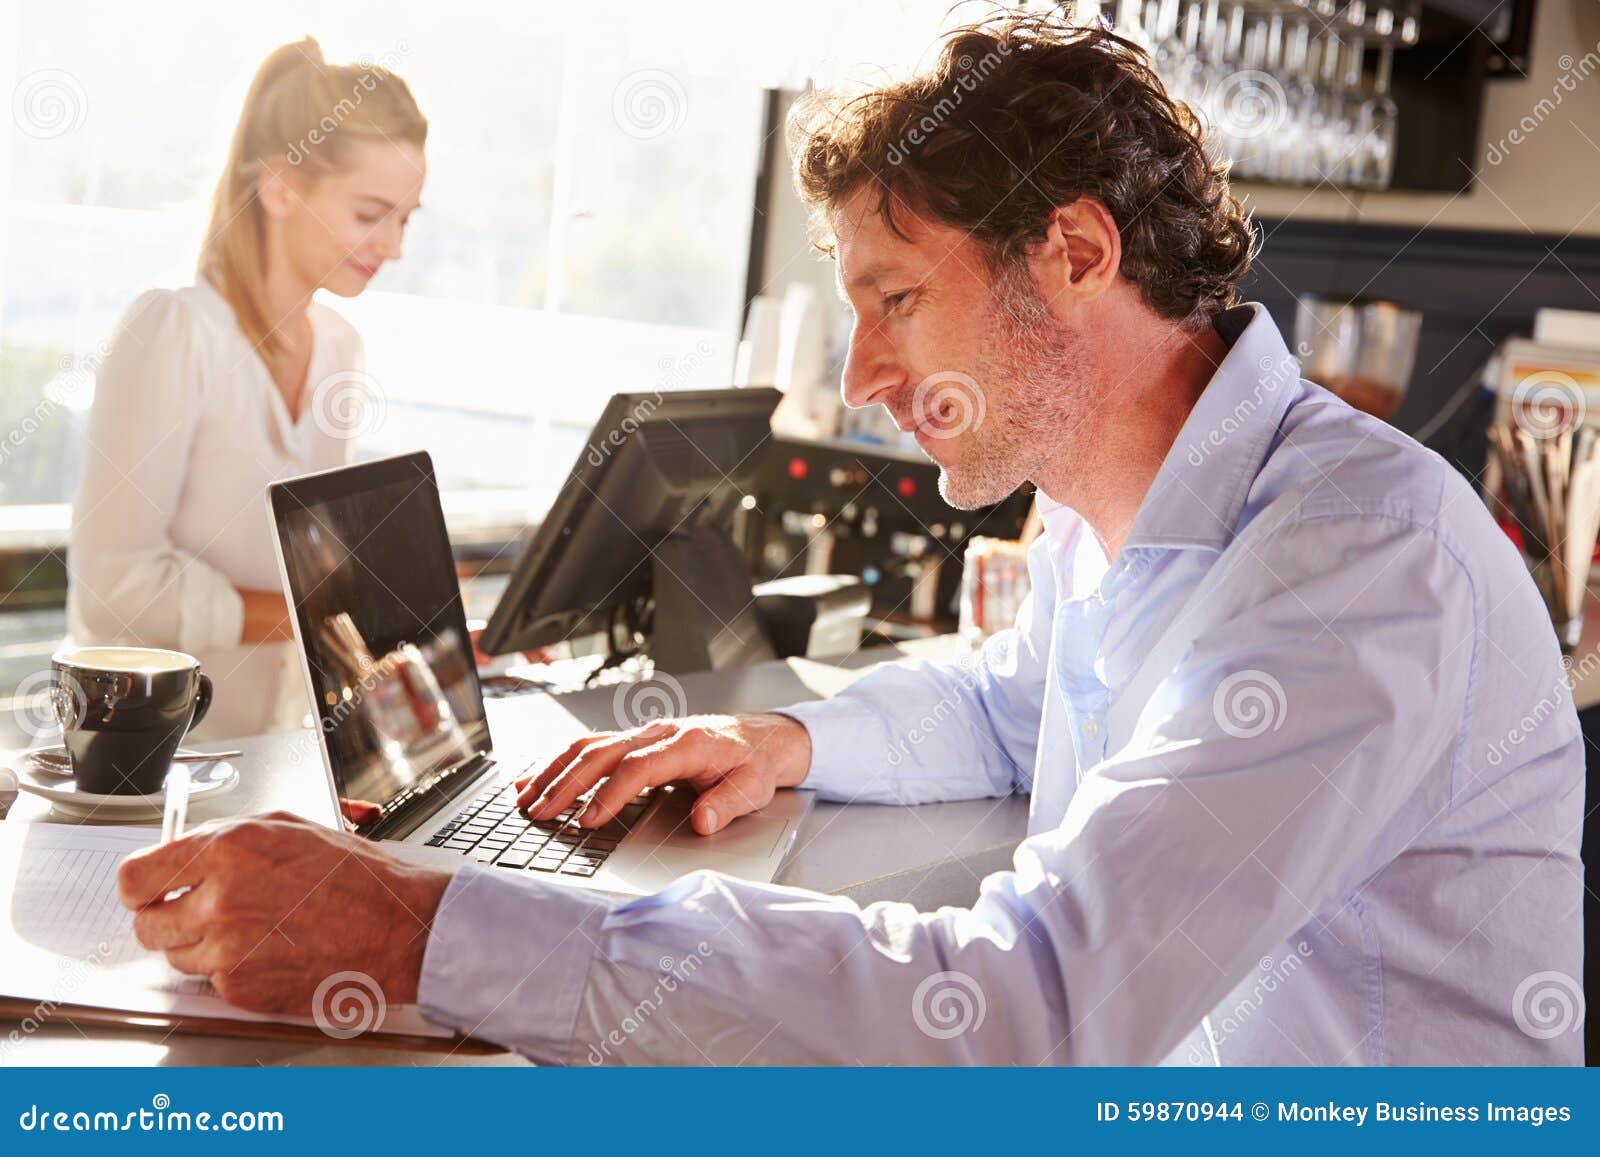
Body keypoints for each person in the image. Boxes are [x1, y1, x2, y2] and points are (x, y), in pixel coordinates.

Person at [118, 14, 1582, 1065]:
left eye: (896, 301)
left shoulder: (1363, 560)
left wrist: (419, 936)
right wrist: (785, 746)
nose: (869, 382)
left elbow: (1035, 1007)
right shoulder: (1119, 513)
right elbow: (1016, 705)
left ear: (1073, 254)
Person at [69, 38, 427, 740]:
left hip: (277, 762)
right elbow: (116, 588)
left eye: (406, 218)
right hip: (148, 770)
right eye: (370, 214)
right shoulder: (174, 330)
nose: (393, 247)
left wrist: (405, 642)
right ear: (280, 187)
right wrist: (300, 615)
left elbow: (313, 580)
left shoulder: (339, 350)